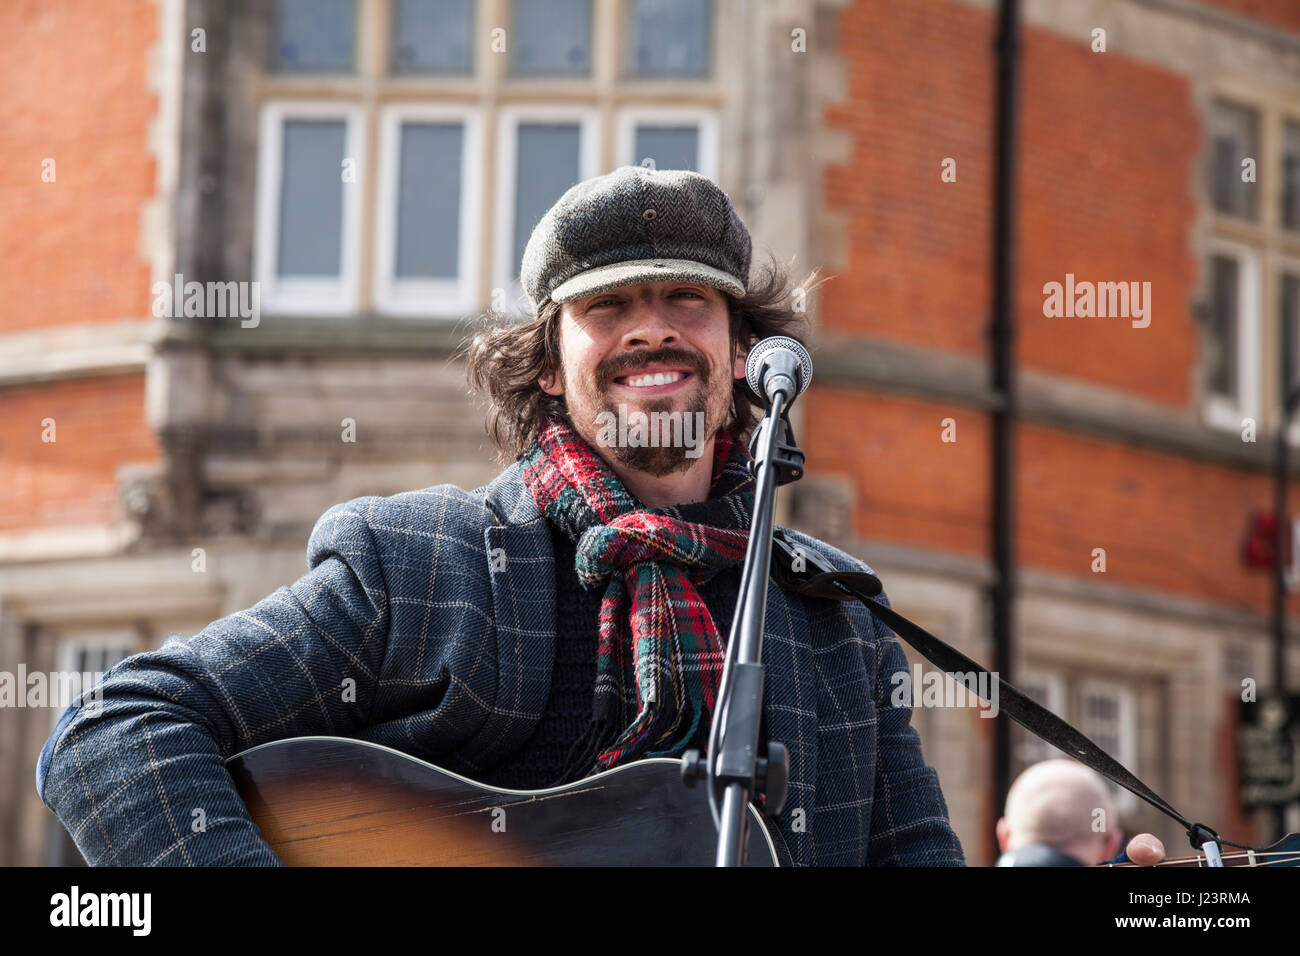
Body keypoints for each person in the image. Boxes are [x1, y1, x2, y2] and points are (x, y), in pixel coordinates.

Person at [35, 165, 1155, 867]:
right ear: (547, 362)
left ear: (741, 349)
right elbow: (112, 732)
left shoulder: (839, 627)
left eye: (687, 300)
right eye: (608, 305)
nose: (651, 329)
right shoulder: (422, 562)